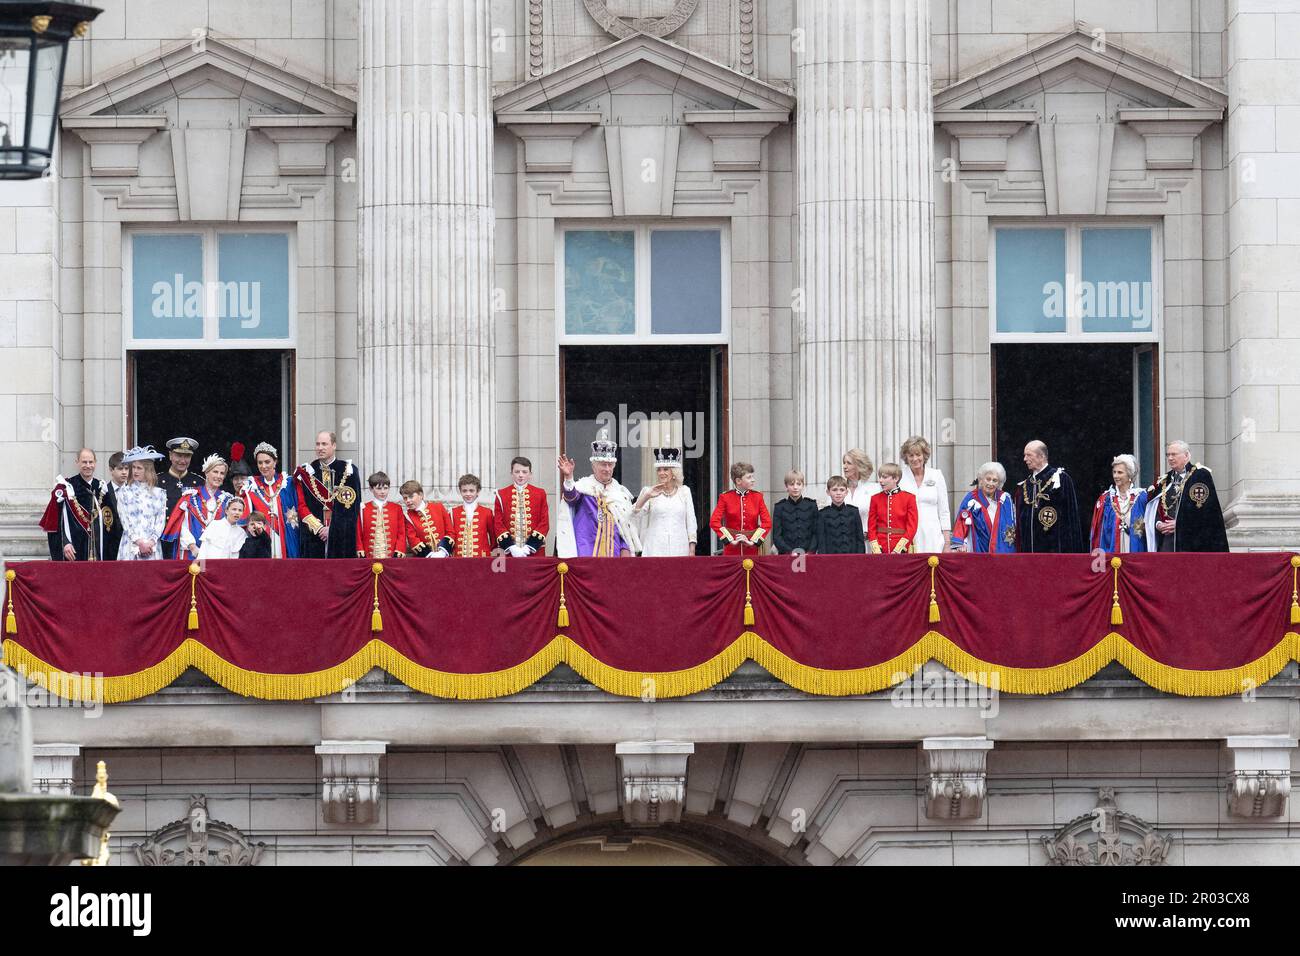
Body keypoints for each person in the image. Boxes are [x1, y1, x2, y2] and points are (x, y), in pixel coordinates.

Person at [556, 435, 640, 558]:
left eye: (610, 465)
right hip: (586, 551)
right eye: (603, 464)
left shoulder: (621, 494)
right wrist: (569, 478)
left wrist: (625, 548)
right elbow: (571, 498)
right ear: (594, 466)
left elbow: (624, 526)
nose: (607, 469)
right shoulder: (584, 487)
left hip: (614, 554)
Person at [1142, 441, 1229, 552]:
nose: (1170, 458)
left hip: (1191, 542)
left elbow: (1206, 512)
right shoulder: (1165, 480)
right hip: (1167, 542)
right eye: (1168, 455)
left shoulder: (1200, 476)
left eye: (1174, 454)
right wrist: (1158, 524)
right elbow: (1154, 508)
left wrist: (1180, 524)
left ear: (1186, 455)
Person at [38, 448, 122, 561]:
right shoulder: (67, 488)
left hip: (99, 554)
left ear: (95, 463)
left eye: (91, 462)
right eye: (84, 462)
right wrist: (65, 543)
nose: (88, 465)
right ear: (77, 462)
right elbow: (57, 522)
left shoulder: (102, 488)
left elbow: (112, 525)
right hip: (74, 552)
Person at [294, 431, 362, 559]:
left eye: (324, 444)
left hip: (341, 537)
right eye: (318, 444)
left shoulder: (348, 470)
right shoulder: (307, 472)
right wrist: (319, 528)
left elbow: (353, 508)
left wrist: (332, 529)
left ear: (334, 445)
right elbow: (301, 505)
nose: (320, 448)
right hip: (314, 537)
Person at [1014, 440, 1083, 553]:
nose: (1025, 459)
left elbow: (1071, 519)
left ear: (1041, 456)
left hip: (1055, 554)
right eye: (1024, 455)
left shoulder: (1061, 479)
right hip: (1028, 556)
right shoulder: (1025, 485)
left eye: (1029, 455)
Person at [163, 454, 235, 560]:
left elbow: (232, 529)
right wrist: (192, 547)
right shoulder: (191, 497)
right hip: (192, 554)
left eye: (222, 473)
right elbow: (182, 526)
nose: (219, 476)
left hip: (219, 555)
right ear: (206, 472)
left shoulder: (227, 500)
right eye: (215, 472)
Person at [632, 446, 698, 557]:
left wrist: (692, 550)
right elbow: (634, 514)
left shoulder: (685, 492)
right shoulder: (650, 491)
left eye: (665, 469)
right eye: (659, 469)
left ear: (674, 472)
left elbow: (691, 522)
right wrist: (646, 496)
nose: (661, 473)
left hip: (679, 549)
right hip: (655, 549)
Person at [242, 442, 301, 559]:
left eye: (267, 462)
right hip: (263, 542)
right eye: (260, 463)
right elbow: (246, 518)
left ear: (275, 461)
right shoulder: (251, 486)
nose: (263, 466)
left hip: (286, 538)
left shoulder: (287, 483)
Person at [899, 436, 952, 553]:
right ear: (906, 457)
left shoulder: (936, 475)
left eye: (918, 454)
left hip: (933, 534)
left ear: (924, 455)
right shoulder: (900, 477)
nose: (915, 459)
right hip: (906, 534)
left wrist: (947, 542)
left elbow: (944, 510)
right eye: (911, 455)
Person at [951, 462, 1016, 553]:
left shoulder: (1005, 499)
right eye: (988, 479)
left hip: (1002, 550)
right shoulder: (971, 498)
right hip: (979, 547)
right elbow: (962, 521)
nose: (991, 483)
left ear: (999, 483)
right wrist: (960, 543)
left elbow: (1012, 525)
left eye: (995, 480)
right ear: (981, 480)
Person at [1090, 454, 1150, 554]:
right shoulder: (1106, 499)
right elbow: (1098, 532)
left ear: (1130, 475)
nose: (1116, 476)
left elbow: (1147, 528)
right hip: (1111, 552)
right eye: (1114, 472)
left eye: (1120, 472)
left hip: (1135, 552)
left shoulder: (1142, 498)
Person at [116, 445, 167, 561]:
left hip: (152, 546)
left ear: (148, 470)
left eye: (139, 468)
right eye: (133, 467)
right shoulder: (124, 492)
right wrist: (139, 542)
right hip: (130, 545)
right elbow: (125, 521)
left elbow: (160, 520)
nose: (135, 471)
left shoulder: (159, 493)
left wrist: (151, 541)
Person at [710, 462, 771, 556]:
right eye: (749, 477)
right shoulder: (725, 497)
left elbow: (767, 522)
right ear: (738, 481)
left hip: (752, 549)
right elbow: (714, 521)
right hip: (731, 550)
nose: (753, 480)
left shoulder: (758, 497)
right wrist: (730, 540)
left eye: (753, 477)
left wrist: (753, 541)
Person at [494, 456, 550, 557]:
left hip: (535, 551)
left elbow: (544, 522)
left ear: (530, 474)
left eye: (524, 472)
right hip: (509, 553)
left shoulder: (540, 493)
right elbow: (498, 523)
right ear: (511, 473)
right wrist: (511, 547)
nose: (520, 475)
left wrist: (529, 547)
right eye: (517, 471)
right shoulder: (501, 494)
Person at [157, 437, 203, 559]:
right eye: (178, 455)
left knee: (197, 574)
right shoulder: (157, 481)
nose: (183, 460)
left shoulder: (199, 482)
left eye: (187, 456)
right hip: (165, 539)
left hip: (192, 543)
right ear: (170, 455)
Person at [867, 463, 919, 554]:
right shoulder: (875, 499)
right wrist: (876, 549)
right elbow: (871, 527)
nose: (880, 480)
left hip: (902, 549)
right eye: (880, 477)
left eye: (884, 477)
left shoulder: (909, 498)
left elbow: (912, 527)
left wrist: (899, 549)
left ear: (896, 478)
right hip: (880, 549)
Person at [356, 472, 409, 558]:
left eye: (385, 488)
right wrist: (360, 548)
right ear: (371, 489)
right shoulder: (363, 508)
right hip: (368, 555)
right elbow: (358, 531)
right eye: (379, 488)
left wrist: (399, 549)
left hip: (392, 555)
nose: (383, 492)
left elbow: (401, 532)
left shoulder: (397, 508)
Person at [814, 476, 866, 554]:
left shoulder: (854, 512)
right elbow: (821, 541)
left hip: (852, 558)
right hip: (831, 559)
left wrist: (860, 558)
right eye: (834, 490)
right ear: (828, 492)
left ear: (846, 492)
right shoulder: (823, 514)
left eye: (842, 490)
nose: (838, 493)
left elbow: (859, 539)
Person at [401, 480, 454, 557]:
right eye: (405, 498)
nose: (408, 501)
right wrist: (430, 555)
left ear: (421, 495)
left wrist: (443, 552)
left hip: (445, 556)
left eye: (411, 496)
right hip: (424, 559)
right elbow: (413, 539)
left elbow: (450, 531)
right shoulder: (408, 516)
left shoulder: (439, 507)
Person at [841, 448, 882, 547]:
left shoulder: (875, 489)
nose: (844, 466)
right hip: (843, 545)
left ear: (859, 466)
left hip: (868, 544)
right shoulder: (838, 488)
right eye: (844, 463)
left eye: (849, 463)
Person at [771, 470, 818, 554]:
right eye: (792, 484)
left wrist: (810, 551)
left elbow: (816, 532)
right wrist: (789, 551)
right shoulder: (779, 507)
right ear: (786, 486)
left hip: (808, 554)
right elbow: (777, 536)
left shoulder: (811, 506)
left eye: (798, 484)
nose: (795, 487)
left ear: (803, 485)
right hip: (786, 555)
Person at [450, 475, 495, 557]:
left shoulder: (487, 512)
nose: (468, 494)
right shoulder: (453, 512)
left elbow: (493, 539)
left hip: (481, 559)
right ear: (460, 491)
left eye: (471, 491)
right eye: (464, 491)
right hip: (458, 560)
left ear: (477, 491)